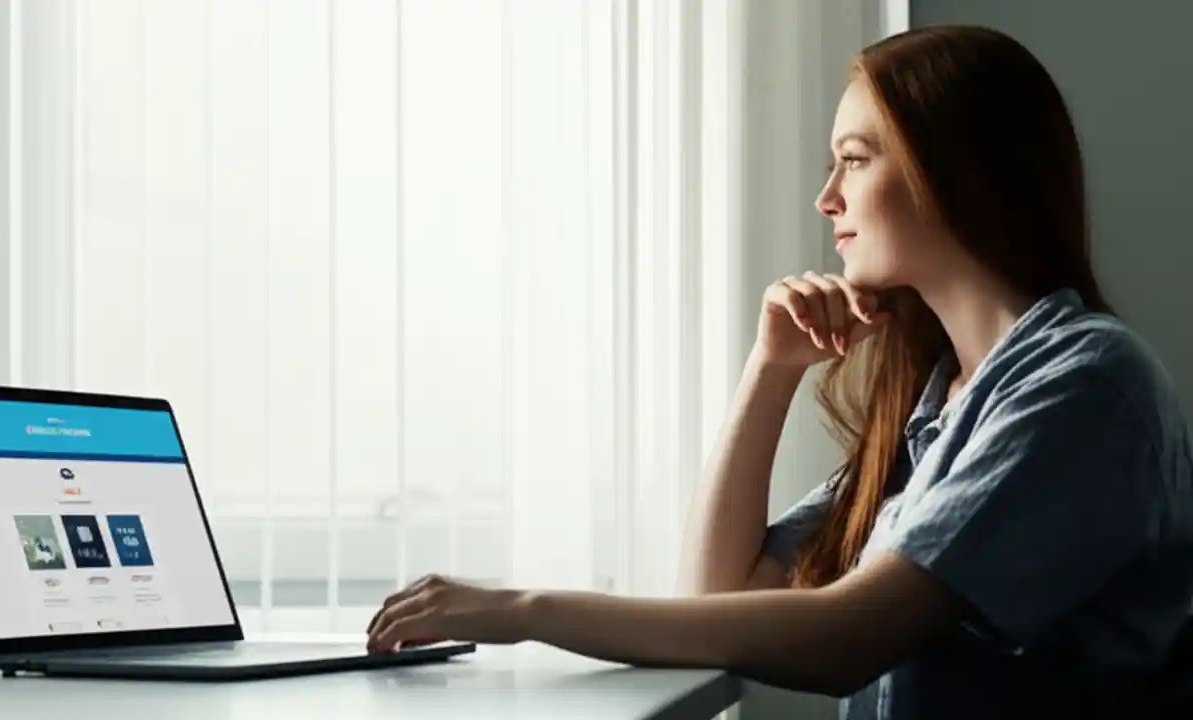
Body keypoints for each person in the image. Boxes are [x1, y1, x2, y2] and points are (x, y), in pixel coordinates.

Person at [365, 25, 1193, 718]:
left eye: (856, 159)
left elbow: (848, 640)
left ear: (956, 173)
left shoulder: (1086, 385)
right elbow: (714, 601)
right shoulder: (942, 406)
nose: (827, 197)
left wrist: (523, 610)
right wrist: (770, 369)